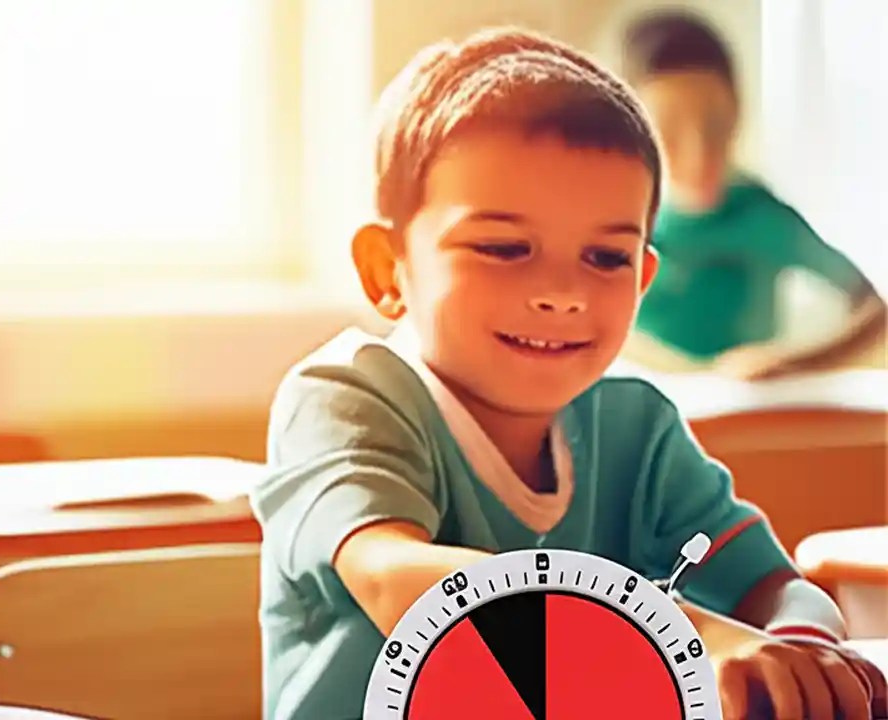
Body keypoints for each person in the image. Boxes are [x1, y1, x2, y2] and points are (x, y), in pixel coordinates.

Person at [249, 27, 886, 720]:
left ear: (643, 278)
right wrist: (695, 633)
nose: (562, 292)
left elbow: (773, 585)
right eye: (504, 246)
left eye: (606, 258)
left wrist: (799, 647)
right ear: (386, 269)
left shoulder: (637, 428)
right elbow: (395, 577)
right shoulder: (346, 400)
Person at [620, 10, 885, 380]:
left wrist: (797, 363)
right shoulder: (615, 220)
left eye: (715, 121)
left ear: (739, 109)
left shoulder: (762, 217)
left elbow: (876, 310)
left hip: (740, 421)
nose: (700, 155)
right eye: (670, 127)